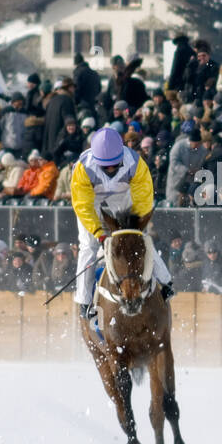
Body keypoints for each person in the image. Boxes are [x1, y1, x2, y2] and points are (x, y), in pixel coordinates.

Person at [70, 126, 174, 322]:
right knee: (88, 247)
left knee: (139, 240)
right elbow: (82, 204)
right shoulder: (83, 167)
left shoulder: (135, 163)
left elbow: (143, 198)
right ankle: (84, 301)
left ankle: (166, 281)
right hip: (92, 203)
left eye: (114, 165)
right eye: (105, 166)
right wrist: (99, 232)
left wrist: (137, 226)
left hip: (121, 197)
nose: (110, 169)